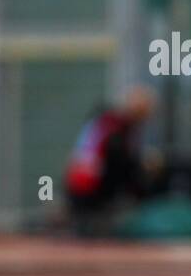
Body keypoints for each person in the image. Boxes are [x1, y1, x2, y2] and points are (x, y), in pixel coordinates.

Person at [65, 86, 159, 236]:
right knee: (136, 175)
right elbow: (118, 160)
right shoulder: (115, 126)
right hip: (89, 185)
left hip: (82, 182)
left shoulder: (108, 121)